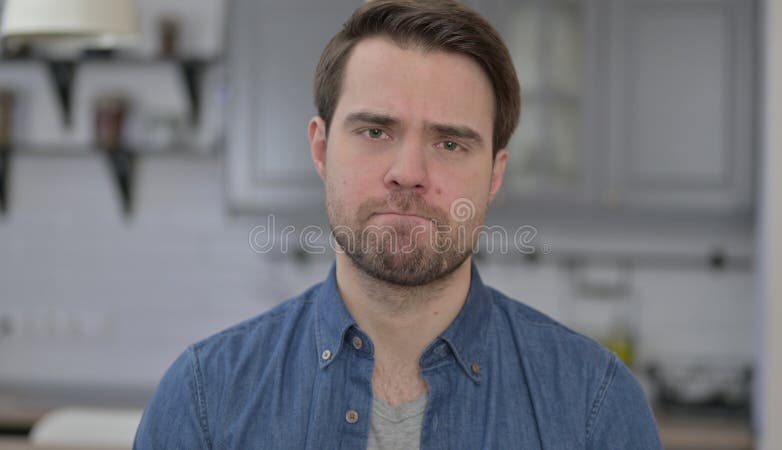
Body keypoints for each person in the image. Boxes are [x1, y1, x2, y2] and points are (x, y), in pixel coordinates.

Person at [134, 1, 663, 448]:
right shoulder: (205, 397)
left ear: (495, 173)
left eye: (450, 143)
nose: (408, 173)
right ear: (320, 148)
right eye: (374, 132)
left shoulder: (596, 406)